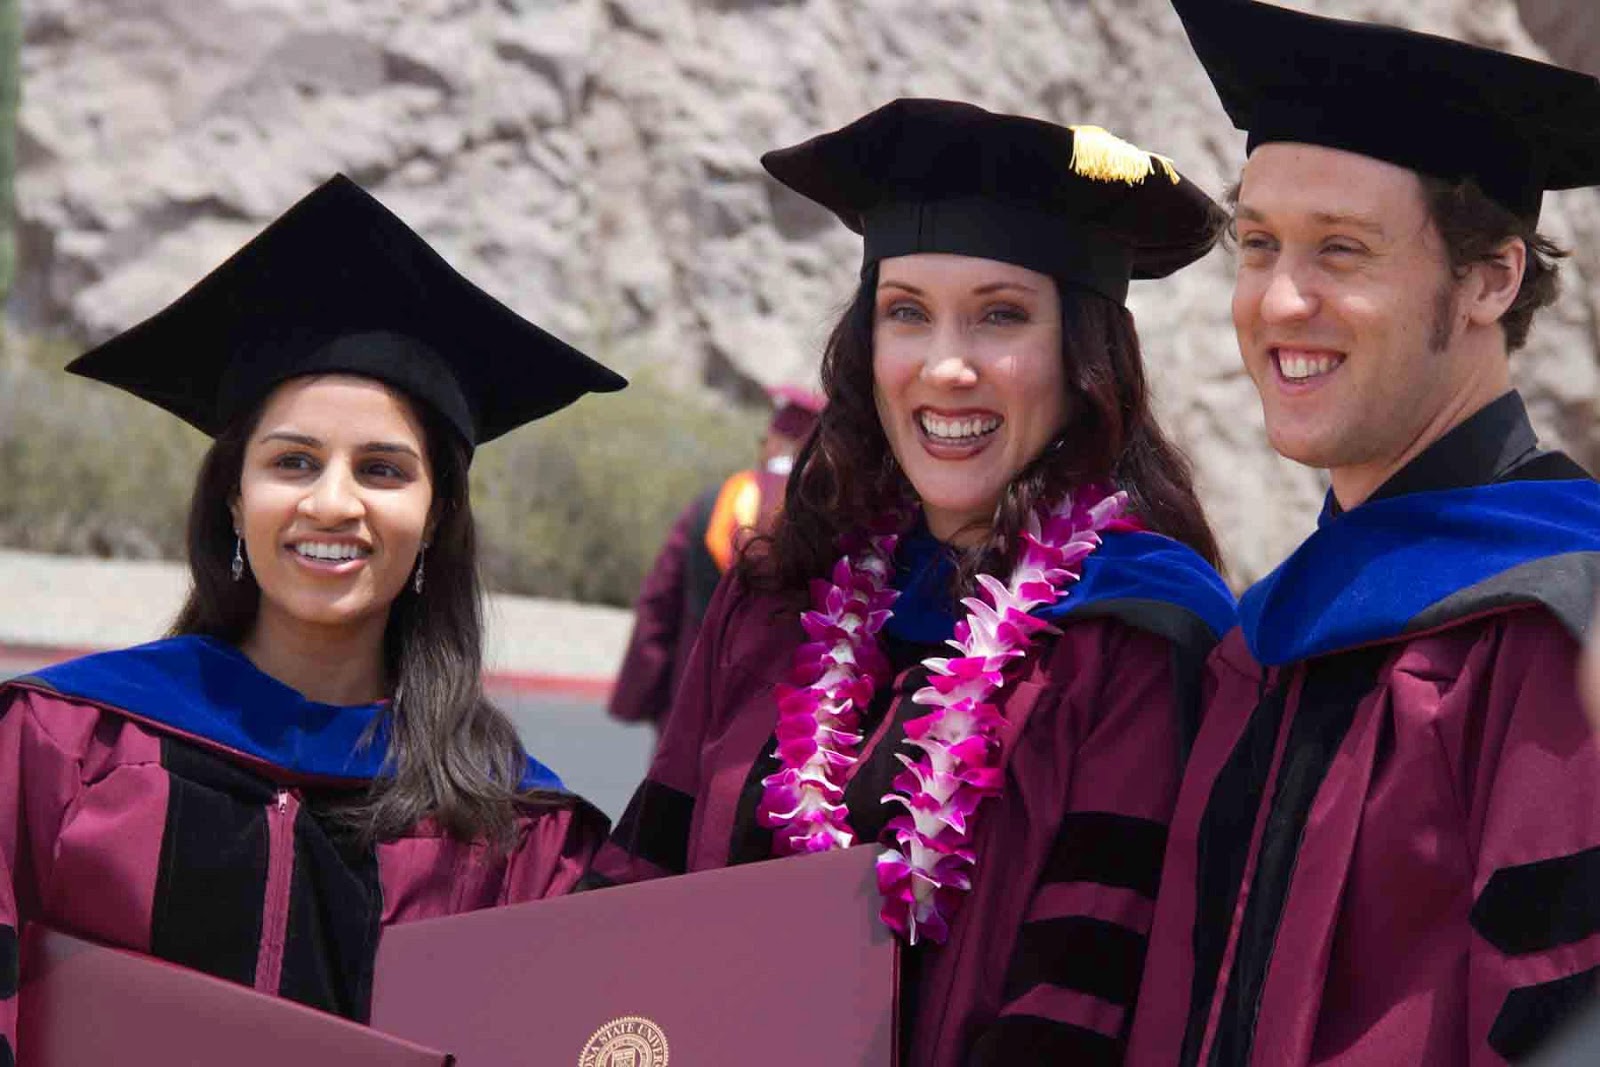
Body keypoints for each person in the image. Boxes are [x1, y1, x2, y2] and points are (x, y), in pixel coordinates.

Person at [586, 98, 1237, 1065]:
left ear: (1083, 355)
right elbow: (643, 879)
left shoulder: (1137, 637)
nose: (944, 366)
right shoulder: (777, 599)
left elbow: (1083, 1003)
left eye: (1000, 315)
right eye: (907, 313)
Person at [0, 174, 625, 1058]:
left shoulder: (519, 834)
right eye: (293, 461)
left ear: (437, 516)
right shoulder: (63, 747)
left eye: (382, 469)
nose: (332, 503)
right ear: (234, 496)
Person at [1128, 3, 1600, 1064]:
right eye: (1258, 246)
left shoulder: (1558, 627)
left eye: (1341, 250)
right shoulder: (1265, 632)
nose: (1279, 301)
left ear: (1491, 279)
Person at [607, 385, 824, 729]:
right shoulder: (826, 515)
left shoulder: (718, 499)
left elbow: (660, 599)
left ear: (775, 442)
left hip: (694, 697)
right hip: (782, 716)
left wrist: (642, 693)